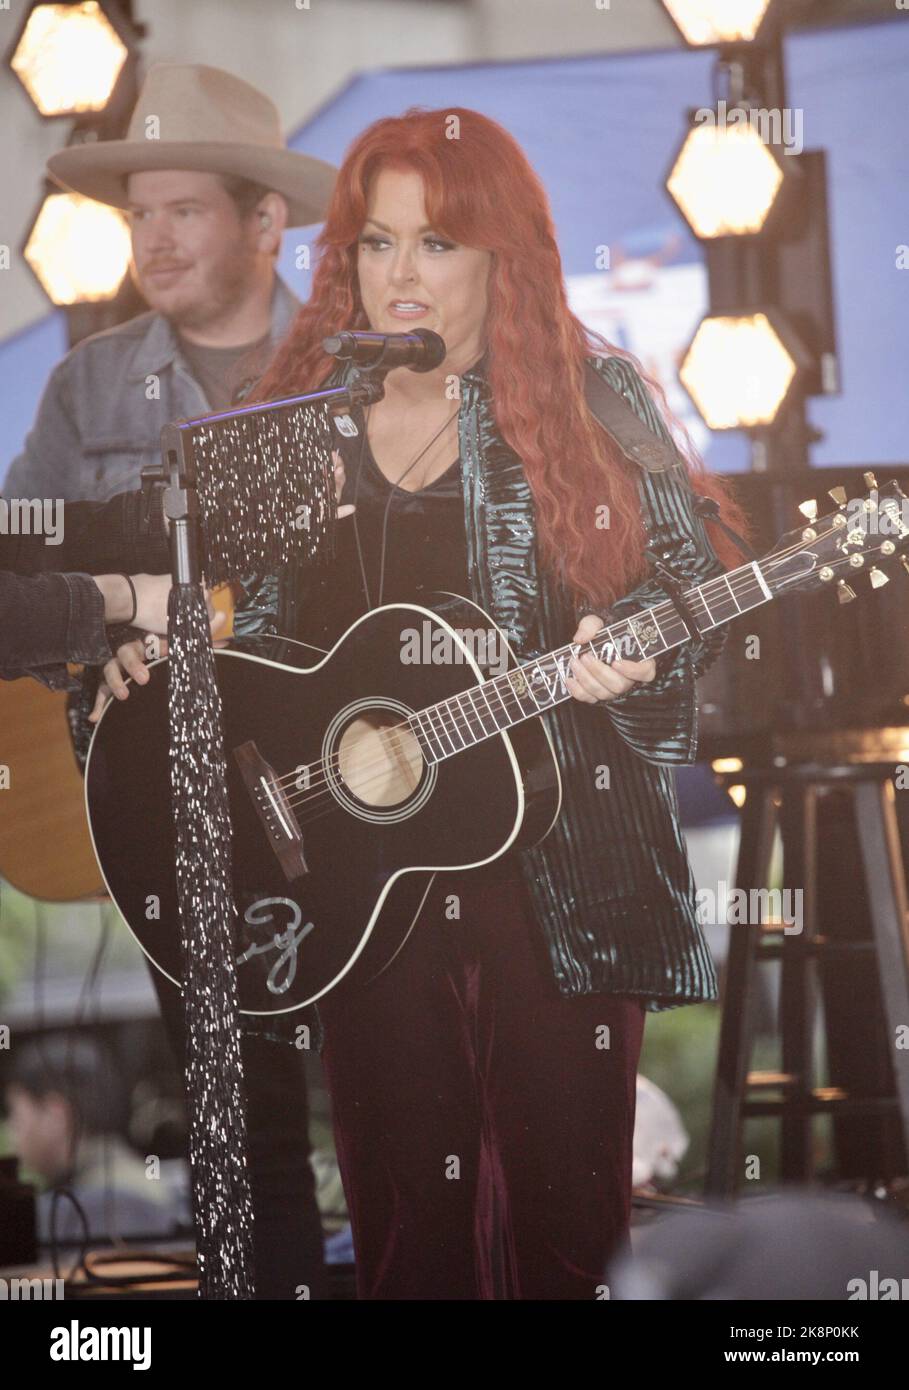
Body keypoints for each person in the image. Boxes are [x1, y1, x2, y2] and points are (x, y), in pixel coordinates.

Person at [225, 104, 752, 1301]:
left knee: (566, 1238)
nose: (400, 277)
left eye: (436, 245)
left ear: (500, 254)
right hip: (368, 887)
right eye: (375, 243)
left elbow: (699, 583)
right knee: (407, 1239)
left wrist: (635, 652)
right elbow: (257, 644)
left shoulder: (591, 389)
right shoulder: (302, 408)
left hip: (560, 874)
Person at [4, 63, 338, 1300]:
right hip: (155, 795)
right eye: (136, 213)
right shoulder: (82, 386)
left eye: (183, 210)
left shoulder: (346, 377)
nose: (151, 239)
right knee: (233, 1106)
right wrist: (108, 630)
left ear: (266, 223)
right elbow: (8, 578)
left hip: (328, 789)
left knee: (372, 1087)